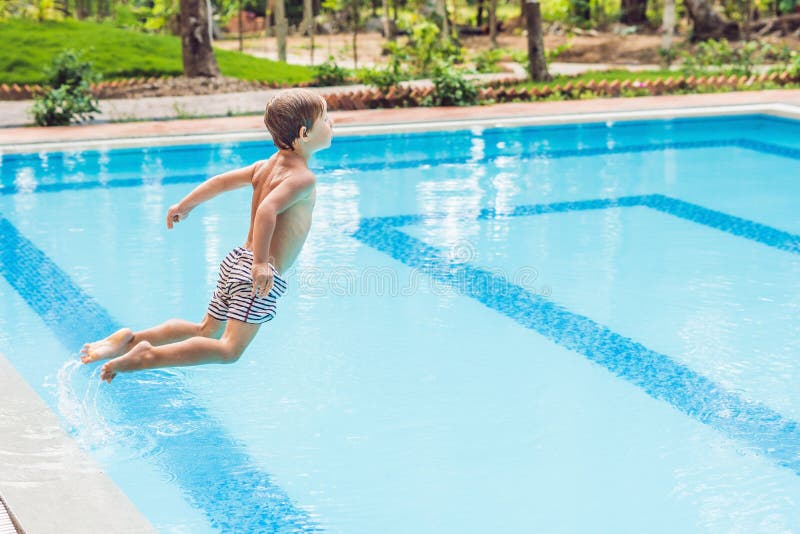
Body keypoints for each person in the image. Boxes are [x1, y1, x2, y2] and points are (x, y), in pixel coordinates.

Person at [80, 89, 334, 383]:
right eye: (325, 119)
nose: (331, 124)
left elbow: (221, 182)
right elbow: (266, 211)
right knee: (229, 349)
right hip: (256, 272)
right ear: (304, 133)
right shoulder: (303, 178)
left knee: (206, 329)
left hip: (237, 261)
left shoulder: (266, 167)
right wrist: (262, 264)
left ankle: (130, 340)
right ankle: (147, 356)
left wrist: (185, 205)